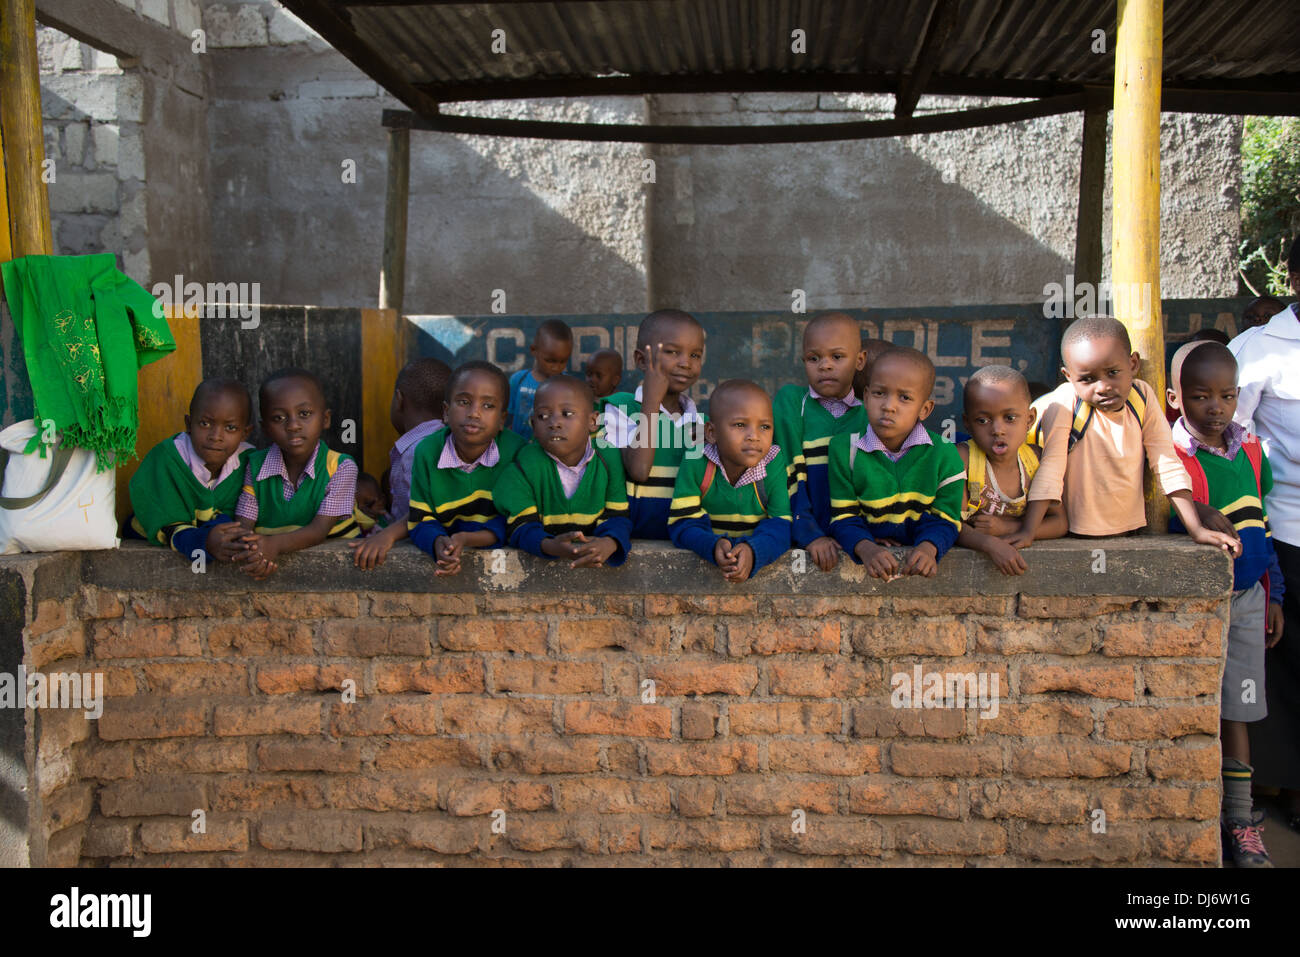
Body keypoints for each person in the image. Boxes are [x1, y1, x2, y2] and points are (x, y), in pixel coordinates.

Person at [1167, 339, 1285, 867]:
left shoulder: (1252, 450)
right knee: (1189, 706)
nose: (1215, 408)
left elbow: (1263, 523)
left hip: (1248, 597)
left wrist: (1274, 592)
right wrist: (1193, 514)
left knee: (1238, 709)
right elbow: (1163, 522)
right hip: (1196, 603)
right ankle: (1188, 813)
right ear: (1176, 398)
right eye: (1200, 396)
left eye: (1226, 396)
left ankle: (1239, 820)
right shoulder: (1172, 456)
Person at [1018, 316, 1241, 554]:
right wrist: (1029, 531)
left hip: (1129, 533)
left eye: (1113, 372)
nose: (1103, 387)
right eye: (1087, 379)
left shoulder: (1141, 397)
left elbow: (1166, 462)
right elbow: (1051, 468)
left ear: (1133, 364)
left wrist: (1196, 529)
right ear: (1069, 376)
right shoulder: (1065, 403)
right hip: (1073, 534)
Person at [1231, 236, 1300, 835]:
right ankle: (1288, 786)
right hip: (1285, 526)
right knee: (1285, 661)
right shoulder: (1258, 352)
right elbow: (1226, 440)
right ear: (1296, 281)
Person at [828, 346, 964, 580]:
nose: (888, 406)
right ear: (866, 397)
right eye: (879, 393)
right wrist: (865, 547)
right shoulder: (844, 450)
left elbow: (947, 519)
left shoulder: (945, 455)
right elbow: (843, 517)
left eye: (905, 398)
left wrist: (928, 548)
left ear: (925, 409)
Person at [234, 369, 360, 578]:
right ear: (265, 428)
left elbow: (318, 531)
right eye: (279, 418)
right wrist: (253, 551)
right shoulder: (254, 466)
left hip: (337, 573)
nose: (293, 426)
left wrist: (273, 546)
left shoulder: (341, 467)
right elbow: (244, 525)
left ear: (325, 419)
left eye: (304, 414)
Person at [494, 376, 631, 568]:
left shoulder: (608, 458)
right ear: (533, 425)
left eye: (567, 414)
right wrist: (548, 545)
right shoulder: (525, 464)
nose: (554, 423)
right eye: (543, 416)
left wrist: (610, 541)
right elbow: (520, 526)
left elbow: (618, 516)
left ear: (592, 421)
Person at [407, 361, 525, 575]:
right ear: (446, 412)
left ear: (502, 420)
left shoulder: (517, 453)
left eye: (488, 406)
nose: (474, 413)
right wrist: (437, 542)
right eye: (464, 402)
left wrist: (469, 539)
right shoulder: (427, 452)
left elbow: (520, 520)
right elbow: (420, 519)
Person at [669, 380, 791, 582]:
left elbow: (781, 525)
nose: (754, 436)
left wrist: (753, 550)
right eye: (740, 425)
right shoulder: (696, 460)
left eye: (765, 426)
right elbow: (681, 523)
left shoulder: (773, 462)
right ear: (712, 433)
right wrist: (713, 545)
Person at [774, 312, 867, 572]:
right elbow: (788, 473)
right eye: (814, 358)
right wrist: (809, 533)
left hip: (853, 533)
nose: (824, 366)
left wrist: (869, 535)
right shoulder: (792, 403)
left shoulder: (870, 415)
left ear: (859, 360)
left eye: (837, 357)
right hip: (802, 529)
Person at [602, 309, 707, 539]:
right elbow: (639, 471)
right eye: (672, 352)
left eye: (695, 355)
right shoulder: (621, 409)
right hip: (630, 537)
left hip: (683, 537)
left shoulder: (699, 422)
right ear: (641, 360)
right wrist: (651, 402)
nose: (686, 363)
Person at [127, 378, 254, 563]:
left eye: (230, 428)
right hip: (158, 534)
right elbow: (167, 524)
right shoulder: (167, 458)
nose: (216, 436)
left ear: (245, 433)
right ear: (188, 424)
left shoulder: (249, 462)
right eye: (205, 424)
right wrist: (205, 541)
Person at [955, 366, 1066, 575]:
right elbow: (952, 524)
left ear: (1030, 419)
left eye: (1010, 418)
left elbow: (1059, 523)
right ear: (967, 424)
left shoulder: (1035, 461)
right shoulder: (964, 459)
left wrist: (1007, 529)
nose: (998, 430)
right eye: (983, 420)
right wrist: (990, 545)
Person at [351, 356, 449, 568]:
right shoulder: (446, 441)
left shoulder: (417, 450)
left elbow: (424, 510)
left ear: (399, 399)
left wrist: (387, 535)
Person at [508, 319, 573, 441]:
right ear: (534, 350)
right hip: (519, 446)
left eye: (562, 361)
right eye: (550, 361)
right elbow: (508, 416)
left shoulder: (568, 386)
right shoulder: (518, 380)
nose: (556, 367)